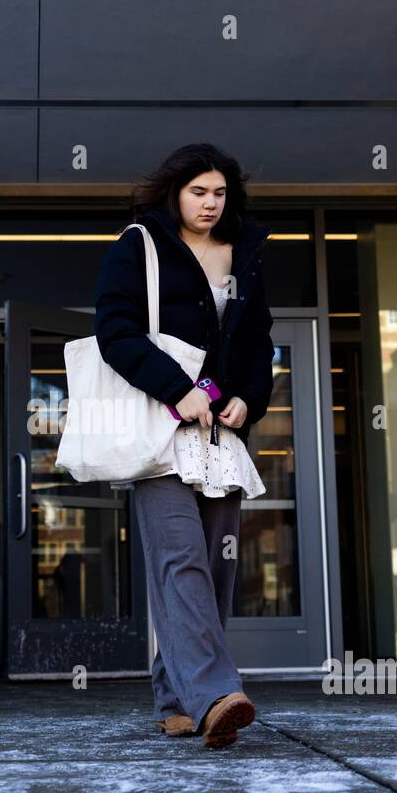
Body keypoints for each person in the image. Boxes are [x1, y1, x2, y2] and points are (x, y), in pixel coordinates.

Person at [94, 143, 275, 748]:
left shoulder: (244, 252)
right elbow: (114, 331)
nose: (210, 203)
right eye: (199, 191)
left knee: (217, 566)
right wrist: (178, 390)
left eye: (219, 193)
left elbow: (257, 340)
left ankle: (176, 696)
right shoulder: (140, 244)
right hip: (159, 429)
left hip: (221, 434)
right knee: (180, 559)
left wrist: (249, 397)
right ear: (175, 192)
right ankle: (218, 693)